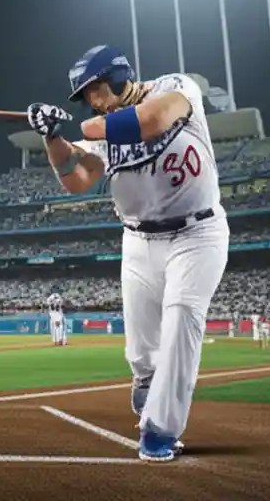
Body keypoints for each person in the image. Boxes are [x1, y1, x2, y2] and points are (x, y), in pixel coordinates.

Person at [27, 44, 227, 462]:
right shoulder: (103, 129)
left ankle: (160, 431)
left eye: (97, 89)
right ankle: (145, 380)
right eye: (87, 97)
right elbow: (75, 179)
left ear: (120, 76)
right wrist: (52, 138)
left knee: (181, 321)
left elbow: (150, 120)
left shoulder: (175, 87)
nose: (93, 101)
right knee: (141, 351)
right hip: (138, 241)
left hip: (198, 233)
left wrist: (85, 128)